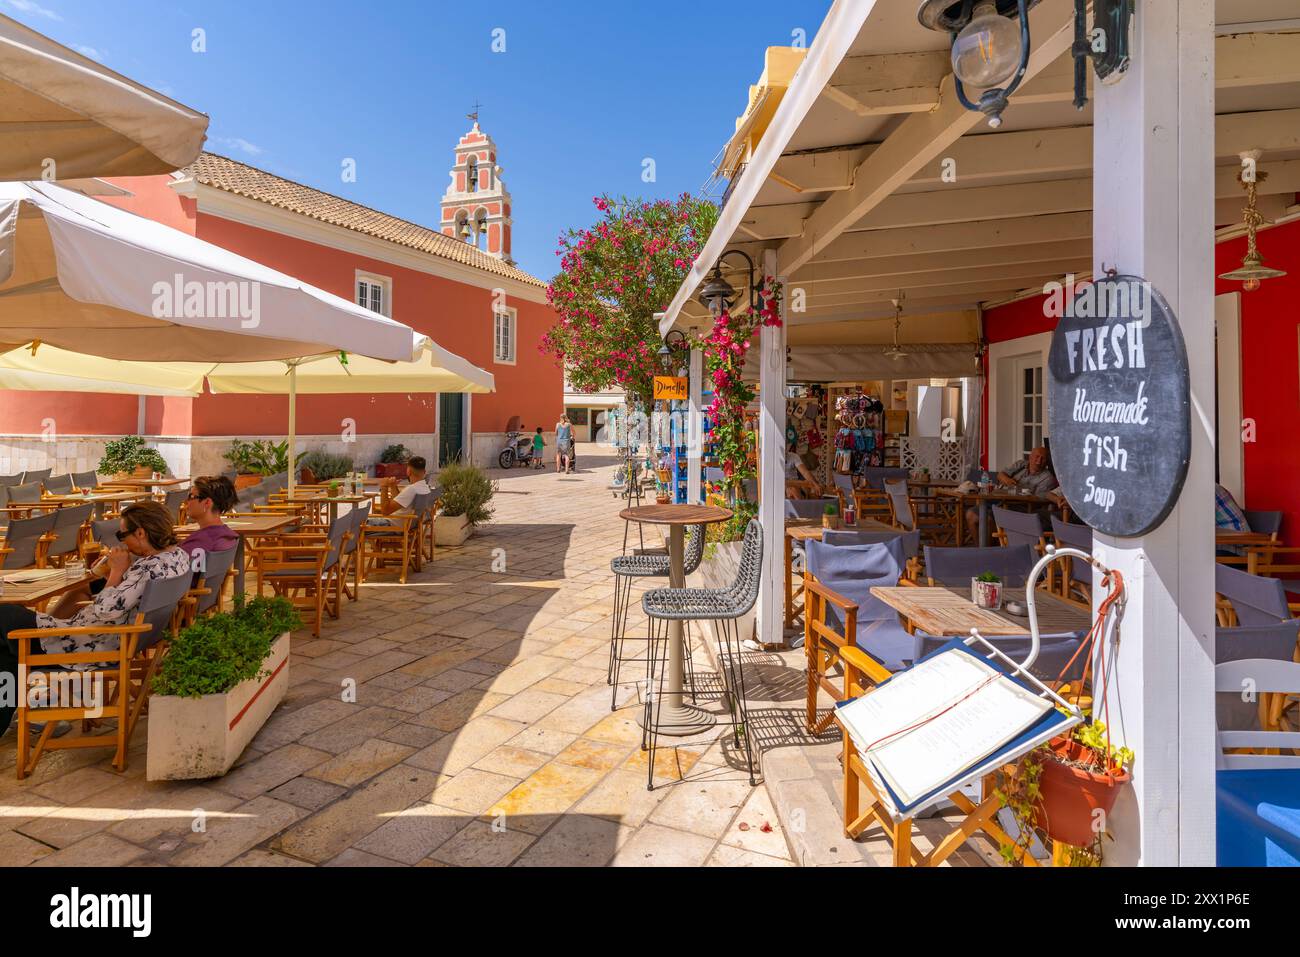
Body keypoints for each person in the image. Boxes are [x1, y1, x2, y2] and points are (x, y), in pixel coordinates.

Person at [0, 500, 192, 736]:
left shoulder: (148, 568)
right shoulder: (178, 557)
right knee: (7, 648)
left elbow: (106, 610)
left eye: (123, 534)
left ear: (141, 532)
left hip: (84, 646)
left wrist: (117, 572)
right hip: (112, 640)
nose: (121, 541)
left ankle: (18, 713)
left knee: (5, 619)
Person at [966, 445, 1057, 542]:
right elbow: (1000, 475)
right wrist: (1007, 480)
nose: (1039, 461)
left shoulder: (1047, 478)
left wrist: (1019, 489)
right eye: (1037, 456)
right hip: (999, 501)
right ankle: (981, 550)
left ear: (1046, 462)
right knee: (971, 515)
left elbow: (1037, 500)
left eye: (1043, 459)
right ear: (1030, 456)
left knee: (988, 519)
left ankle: (991, 548)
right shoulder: (1021, 465)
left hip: (1021, 508)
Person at [181, 475, 240, 578]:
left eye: (191, 497)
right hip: (205, 593)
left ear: (207, 503)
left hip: (181, 593)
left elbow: (176, 577)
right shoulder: (228, 536)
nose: (186, 502)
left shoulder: (202, 542)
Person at [371, 455, 432, 524]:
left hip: (391, 525)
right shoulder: (425, 487)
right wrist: (393, 486)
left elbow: (385, 511)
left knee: (358, 522)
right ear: (424, 472)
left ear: (408, 471)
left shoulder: (412, 489)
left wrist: (384, 487)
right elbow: (399, 504)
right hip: (406, 525)